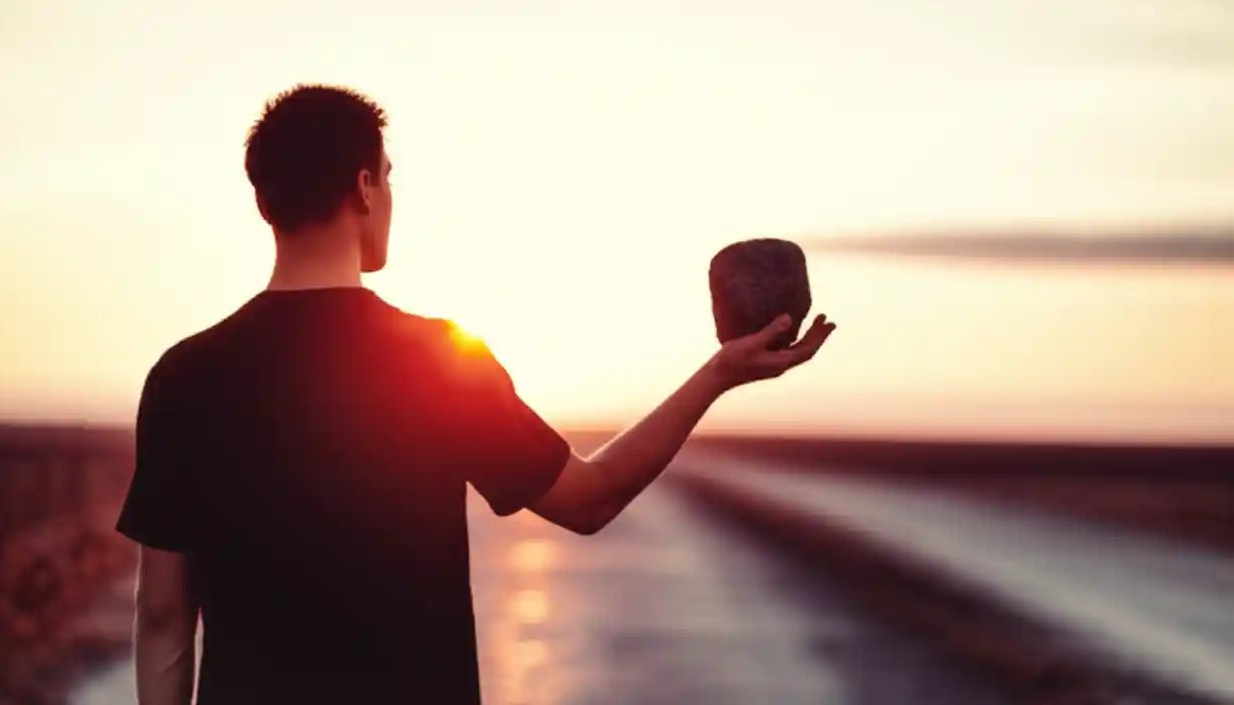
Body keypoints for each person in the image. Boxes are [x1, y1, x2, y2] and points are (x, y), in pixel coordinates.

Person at [114, 83, 836, 705]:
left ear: (265, 201)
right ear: (363, 187)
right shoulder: (434, 361)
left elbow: (164, 615)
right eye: (387, 177)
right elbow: (588, 499)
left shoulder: (184, 376)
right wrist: (717, 376)